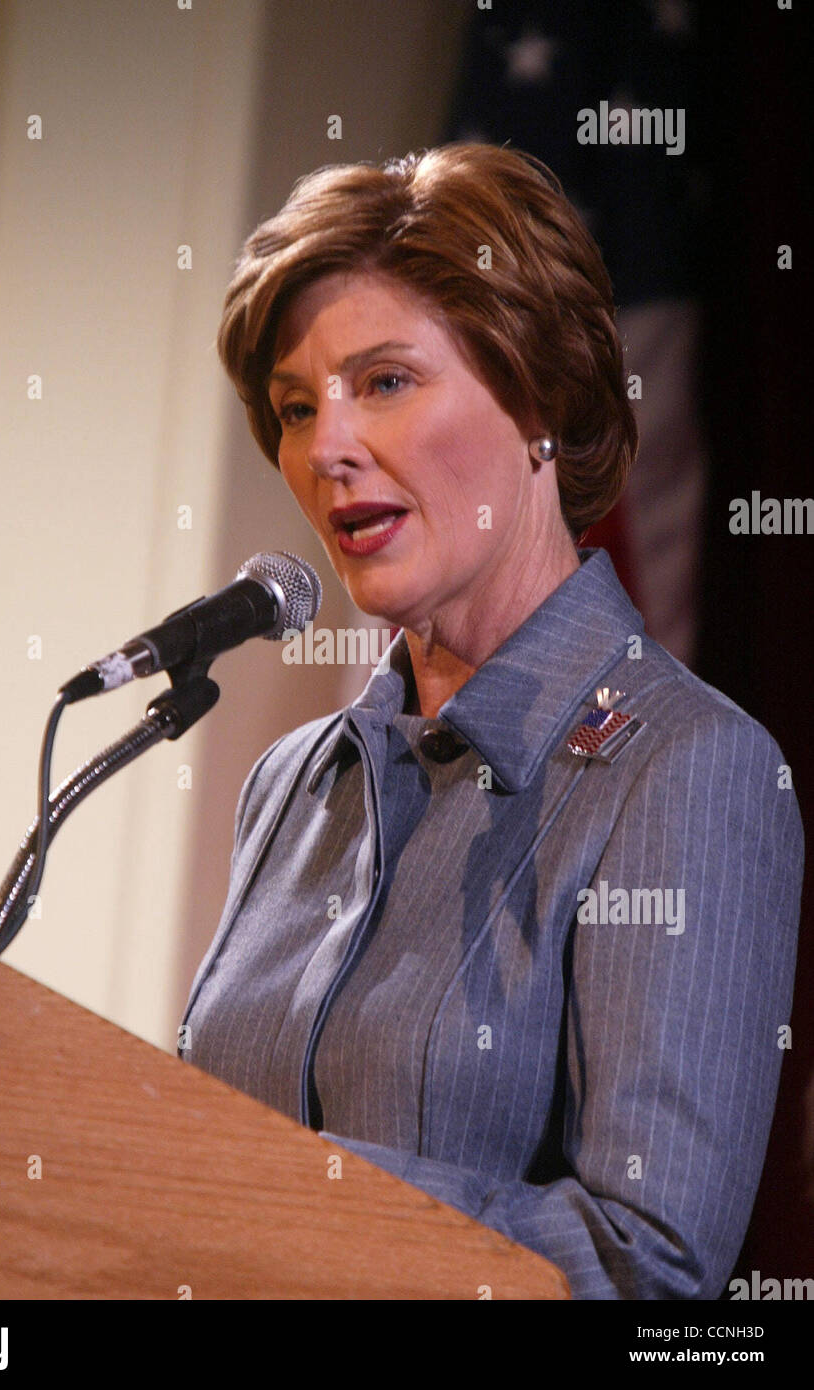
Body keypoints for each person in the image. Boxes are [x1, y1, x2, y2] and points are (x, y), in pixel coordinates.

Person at [178, 143, 803, 1299]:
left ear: (540, 401)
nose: (327, 449)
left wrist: (263, 1193)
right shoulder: (296, 783)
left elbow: (646, 1263)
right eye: (296, 407)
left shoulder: (687, 770)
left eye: (387, 382)